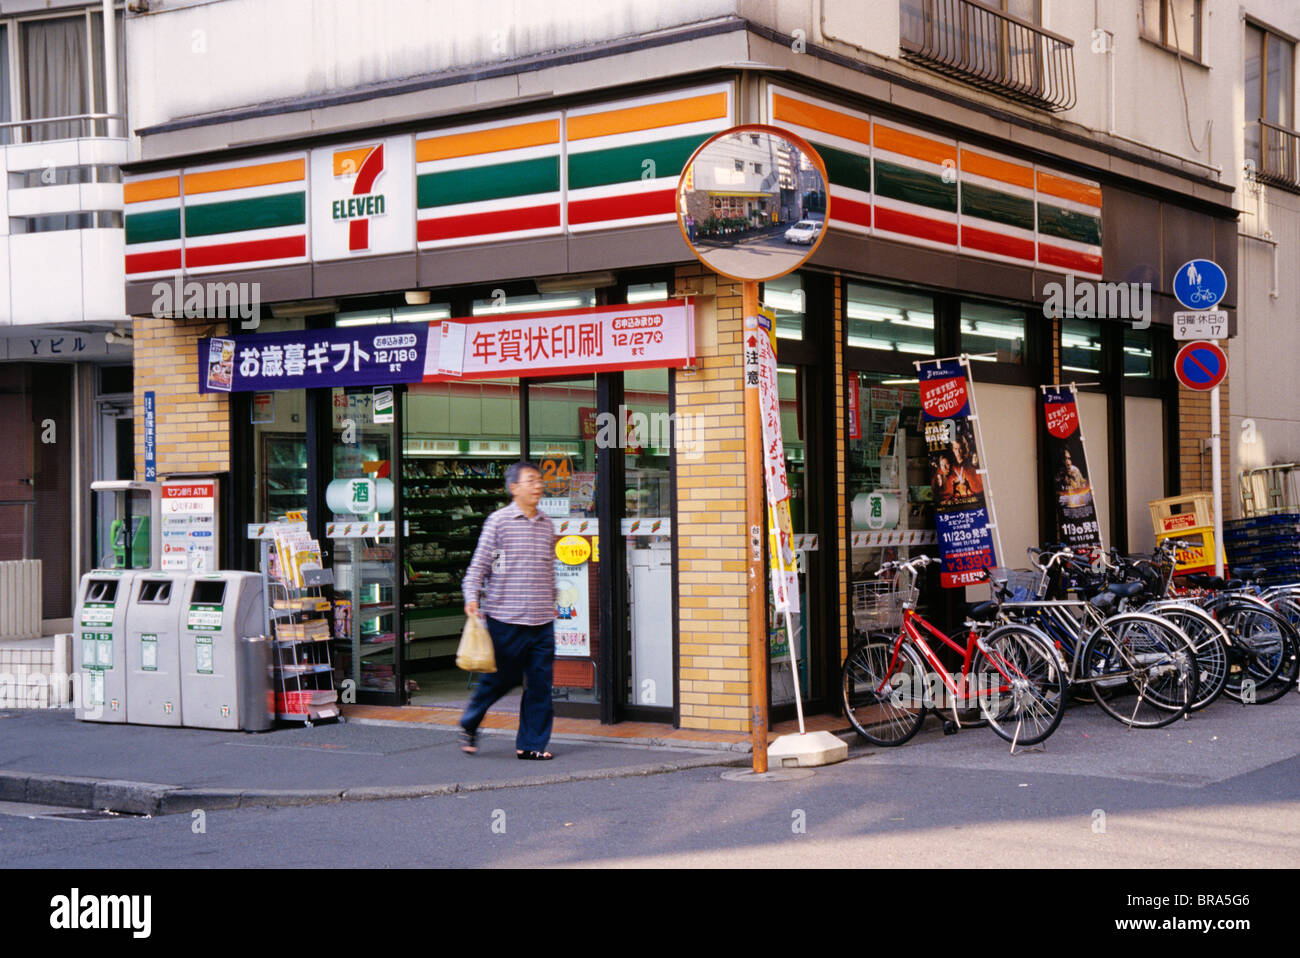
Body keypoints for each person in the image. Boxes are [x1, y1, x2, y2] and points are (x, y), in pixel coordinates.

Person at [459, 461, 558, 760]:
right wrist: (471, 596)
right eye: (531, 480)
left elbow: (549, 570)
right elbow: (482, 564)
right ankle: (470, 721)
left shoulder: (547, 525)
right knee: (500, 680)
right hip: (506, 617)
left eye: (539, 480)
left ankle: (532, 745)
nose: (538, 485)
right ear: (514, 488)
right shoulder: (499, 523)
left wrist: (554, 602)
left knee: (540, 685)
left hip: (542, 619)